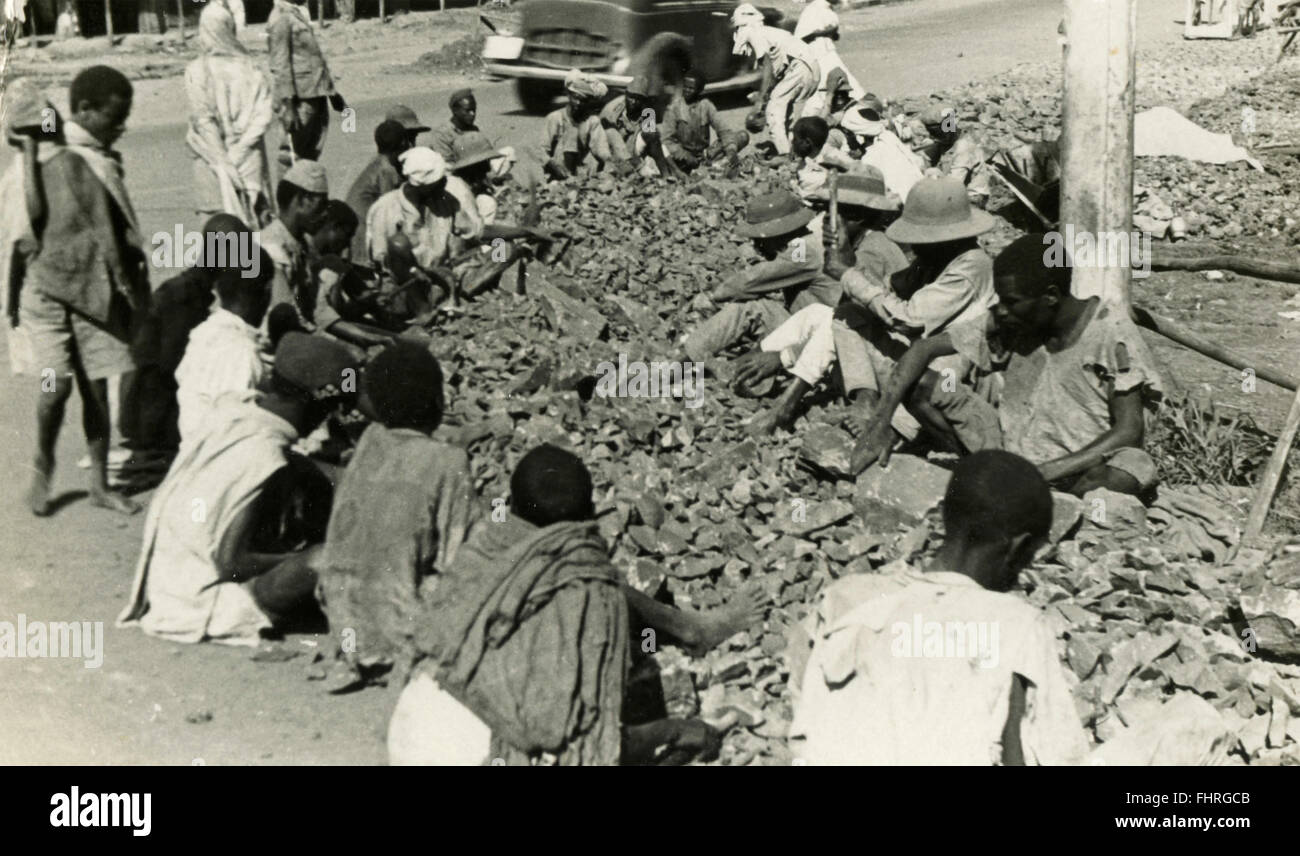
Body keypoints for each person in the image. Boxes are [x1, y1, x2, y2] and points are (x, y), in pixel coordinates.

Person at [388, 444, 759, 765]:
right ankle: (691, 632)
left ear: (511, 505)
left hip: (406, 737)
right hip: (483, 756)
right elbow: (591, 747)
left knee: (586, 574)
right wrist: (676, 731)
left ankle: (690, 630)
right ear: (588, 517)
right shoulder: (594, 598)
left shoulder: (482, 549)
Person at [789, 450, 1090, 765]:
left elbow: (802, 728)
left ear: (945, 516)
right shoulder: (1019, 624)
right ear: (1018, 546)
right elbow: (1058, 755)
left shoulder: (845, 598)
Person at [851, 234, 1166, 499]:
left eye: (1010, 301)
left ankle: (1067, 509)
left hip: (1078, 469)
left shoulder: (1110, 333)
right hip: (1007, 451)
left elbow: (1129, 430)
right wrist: (879, 424)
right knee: (928, 384)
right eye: (999, 300)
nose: (999, 311)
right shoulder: (1014, 319)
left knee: (1129, 467)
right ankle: (981, 470)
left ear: (1051, 297)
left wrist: (1044, 473)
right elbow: (923, 348)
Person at [118, 332, 360, 646]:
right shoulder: (263, 455)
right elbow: (231, 564)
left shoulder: (234, 411)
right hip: (200, 598)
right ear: (314, 406)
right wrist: (292, 558)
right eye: (328, 409)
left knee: (309, 474)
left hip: (169, 574)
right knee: (322, 559)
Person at [9, 66, 150, 517]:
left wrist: (129, 283)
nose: (122, 128)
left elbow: (116, 230)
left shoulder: (94, 155)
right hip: (45, 292)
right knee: (55, 385)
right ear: (84, 110)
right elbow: (18, 233)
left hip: (93, 289)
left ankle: (98, 485)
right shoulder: (43, 160)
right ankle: (43, 458)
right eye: (114, 118)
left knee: (96, 387)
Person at [316, 343, 482, 690]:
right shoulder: (450, 462)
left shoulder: (370, 440)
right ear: (439, 401)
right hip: (398, 632)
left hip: (342, 619)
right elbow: (457, 557)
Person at [733, 171, 907, 434]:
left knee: (839, 317)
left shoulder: (873, 251)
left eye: (830, 214)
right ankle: (745, 369)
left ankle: (785, 407)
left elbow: (859, 322)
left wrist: (784, 356)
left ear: (857, 217)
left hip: (889, 366)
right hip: (870, 354)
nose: (823, 221)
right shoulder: (864, 244)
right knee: (816, 312)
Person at [124, 214, 257, 456]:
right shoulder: (182, 299)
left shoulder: (190, 290)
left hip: (149, 407)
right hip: (153, 416)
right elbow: (171, 368)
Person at [367, 147, 562, 306]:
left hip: (448, 272)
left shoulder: (443, 201)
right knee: (400, 248)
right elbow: (382, 260)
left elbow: (479, 231)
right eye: (439, 180)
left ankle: (461, 289)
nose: (445, 182)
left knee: (504, 248)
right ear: (422, 184)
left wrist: (527, 232)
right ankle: (444, 297)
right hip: (411, 285)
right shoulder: (386, 209)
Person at [681, 190, 839, 384]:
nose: (757, 245)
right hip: (814, 334)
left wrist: (713, 295)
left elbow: (752, 281)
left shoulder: (802, 251)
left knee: (750, 308)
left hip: (820, 343)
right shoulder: (807, 242)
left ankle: (684, 361)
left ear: (779, 232)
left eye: (761, 239)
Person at [184, 1, 274, 226]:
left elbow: (204, 122)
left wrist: (224, 161)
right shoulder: (252, 69)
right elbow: (262, 119)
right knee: (252, 228)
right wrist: (239, 152)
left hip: (212, 162)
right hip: (249, 160)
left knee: (216, 232)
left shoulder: (196, 71)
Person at [173, 249, 274, 448]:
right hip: (218, 462)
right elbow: (237, 432)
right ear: (267, 291)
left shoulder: (204, 333)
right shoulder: (240, 351)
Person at [731, 3, 820, 157]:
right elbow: (773, 75)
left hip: (800, 66)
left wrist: (760, 103)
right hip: (810, 67)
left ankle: (785, 155)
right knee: (783, 108)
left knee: (774, 107)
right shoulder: (768, 32)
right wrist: (762, 98)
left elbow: (767, 68)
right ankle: (792, 149)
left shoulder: (754, 33)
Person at [267, 0, 347, 165]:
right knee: (293, 157)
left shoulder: (295, 13)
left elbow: (313, 58)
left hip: (314, 93)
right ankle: (291, 190)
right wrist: (288, 105)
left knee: (310, 154)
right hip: (299, 101)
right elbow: (280, 64)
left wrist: (332, 93)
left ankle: (306, 190)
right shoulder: (280, 17)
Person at [261, 159, 328, 329]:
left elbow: (318, 309)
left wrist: (365, 337)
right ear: (300, 201)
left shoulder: (304, 244)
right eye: (321, 206)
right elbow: (291, 319)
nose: (326, 214)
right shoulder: (270, 248)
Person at [343, 119, 411, 262]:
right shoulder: (386, 170)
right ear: (402, 144)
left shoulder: (378, 163)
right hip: (361, 225)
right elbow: (390, 210)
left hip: (357, 220)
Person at [660, 71, 749, 176]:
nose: (687, 91)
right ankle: (710, 167)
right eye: (685, 87)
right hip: (682, 158)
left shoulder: (706, 105)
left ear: (699, 90)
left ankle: (716, 164)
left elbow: (724, 130)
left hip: (704, 155)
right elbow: (666, 141)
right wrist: (684, 155)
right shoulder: (674, 108)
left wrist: (731, 151)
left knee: (742, 136)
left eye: (691, 88)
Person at [426, 89, 517, 182]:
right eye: (467, 110)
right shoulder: (442, 133)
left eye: (474, 110)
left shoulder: (473, 129)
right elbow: (446, 164)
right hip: (458, 173)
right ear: (455, 111)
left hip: (478, 169)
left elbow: (486, 153)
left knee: (508, 152)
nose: (472, 114)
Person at [542, 70, 617, 179]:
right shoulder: (555, 117)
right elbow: (542, 150)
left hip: (579, 170)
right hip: (556, 172)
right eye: (575, 97)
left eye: (583, 100)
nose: (578, 103)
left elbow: (600, 147)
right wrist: (551, 164)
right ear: (568, 95)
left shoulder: (592, 121)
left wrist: (609, 161)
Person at [794, 0, 863, 118]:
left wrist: (832, 32)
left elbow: (833, 34)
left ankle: (857, 106)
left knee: (842, 79)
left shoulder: (828, 10)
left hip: (828, 51)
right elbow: (802, 36)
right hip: (816, 53)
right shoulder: (813, 9)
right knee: (823, 84)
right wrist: (826, 32)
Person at [599, 76, 676, 177]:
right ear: (626, 95)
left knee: (652, 135)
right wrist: (625, 131)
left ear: (643, 100)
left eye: (638, 99)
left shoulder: (647, 110)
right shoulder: (614, 109)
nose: (634, 102)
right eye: (631, 97)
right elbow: (610, 138)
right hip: (617, 150)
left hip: (635, 149)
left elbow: (654, 141)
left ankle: (667, 173)